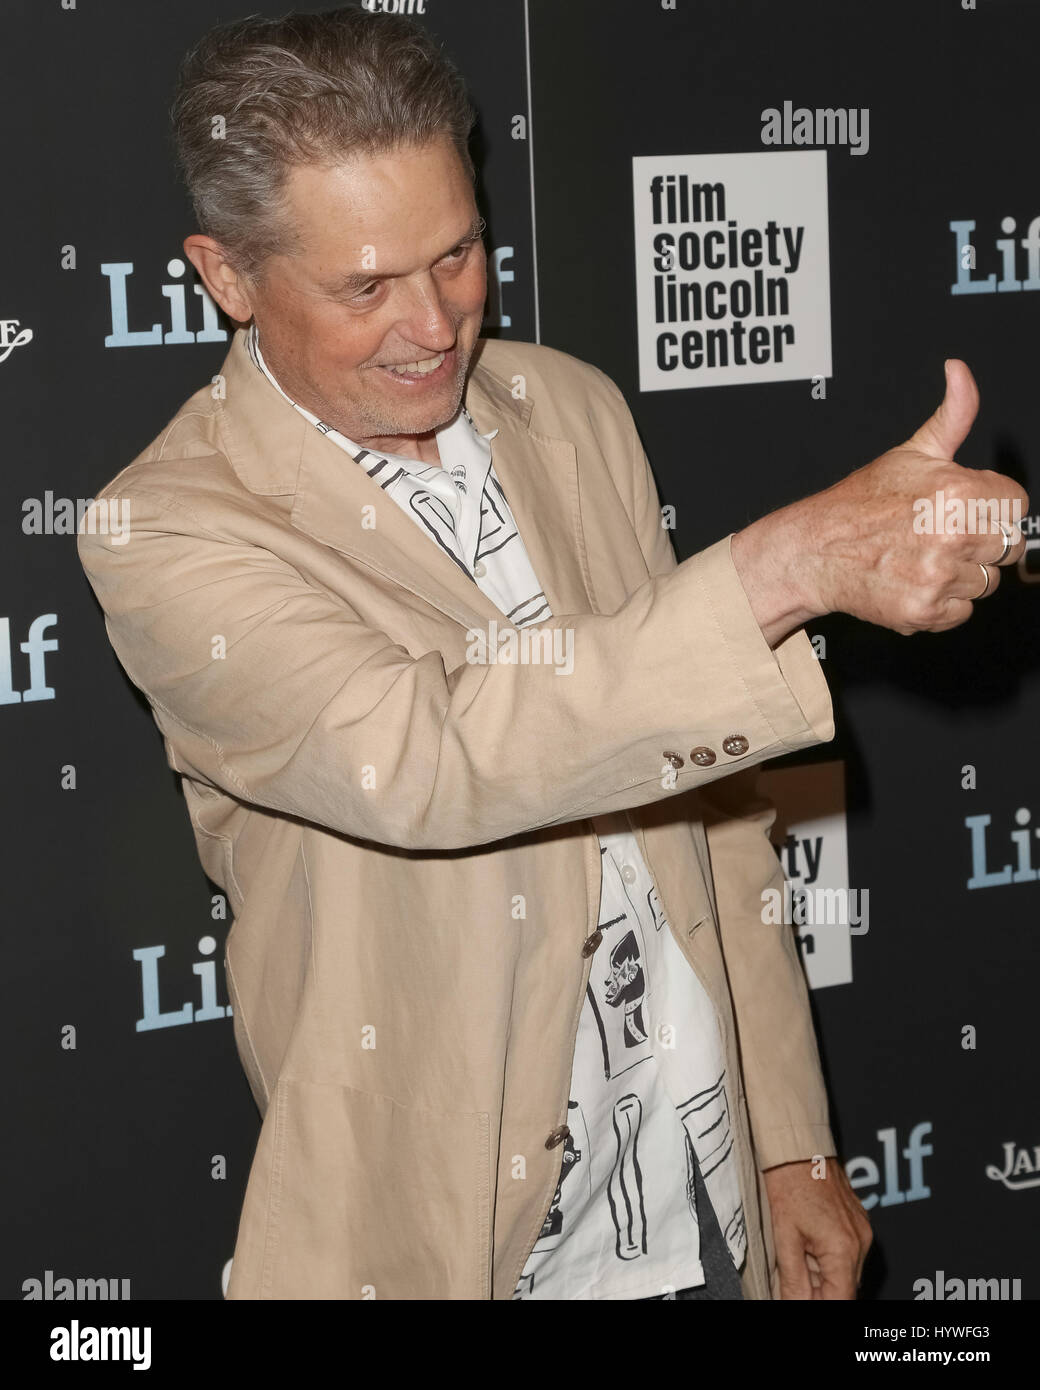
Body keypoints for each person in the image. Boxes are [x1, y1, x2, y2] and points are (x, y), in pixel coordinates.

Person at [76, 6, 1027, 1302]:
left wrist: (789, 1136)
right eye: (365, 284)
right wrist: (785, 569)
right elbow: (432, 752)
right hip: (455, 1241)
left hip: (704, 1187)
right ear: (227, 274)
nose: (434, 324)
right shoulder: (175, 526)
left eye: (458, 252)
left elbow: (711, 798)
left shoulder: (569, 408)